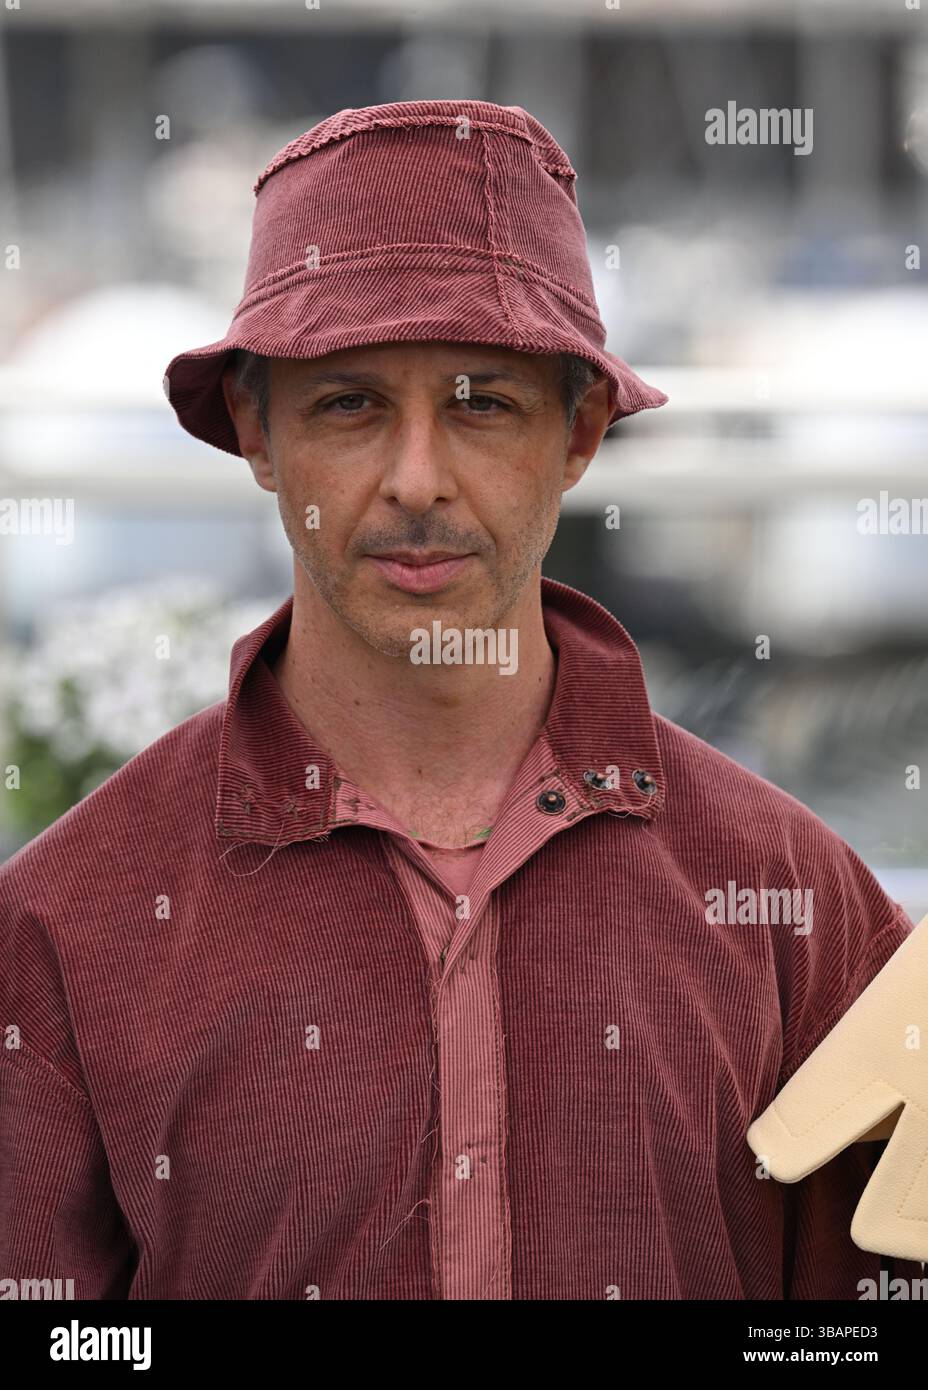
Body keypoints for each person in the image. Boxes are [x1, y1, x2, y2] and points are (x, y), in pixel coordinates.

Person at [0, 99, 918, 1300]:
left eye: (483, 403)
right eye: (349, 403)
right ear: (256, 432)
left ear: (580, 432)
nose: (418, 479)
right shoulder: (69, 923)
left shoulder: (800, 907)